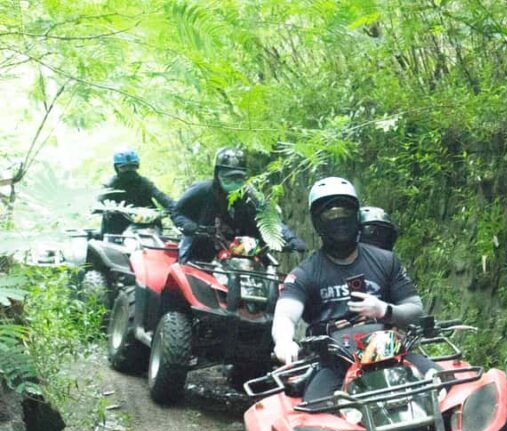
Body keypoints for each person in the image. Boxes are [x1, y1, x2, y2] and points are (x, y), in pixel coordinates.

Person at [272, 177, 426, 401]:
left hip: (392, 353)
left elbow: (414, 308)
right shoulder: (305, 273)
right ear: (317, 220)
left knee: (448, 387)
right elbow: (285, 315)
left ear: (356, 214)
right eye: (330, 213)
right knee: (313, 411)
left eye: (345, 211)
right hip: (335, 363)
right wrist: (284, 341)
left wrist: (384, 310)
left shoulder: (386, 261)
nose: (339, 219)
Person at [172, 147, 305, 263]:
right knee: (187, 276)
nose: (233, 182)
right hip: (200, 250)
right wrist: (189, 226)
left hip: (239, 249)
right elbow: (177, 212)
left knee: (265, 275)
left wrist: (291, 238)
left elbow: (271, 219)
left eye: (238, 178)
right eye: (227, 177)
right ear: (217, 175)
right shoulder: (202, 190)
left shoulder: (251, 196)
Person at [98, 149, 174, 236]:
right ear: (116, 168)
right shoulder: (110, 185)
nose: (128, 170)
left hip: (145, 224)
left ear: (137, 166)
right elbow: (98, 203)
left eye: (132, 167)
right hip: (117, 228)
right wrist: (108, 208)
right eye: (123, 167)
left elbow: (162, 197)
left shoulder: (144, 183)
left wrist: (176, 208)